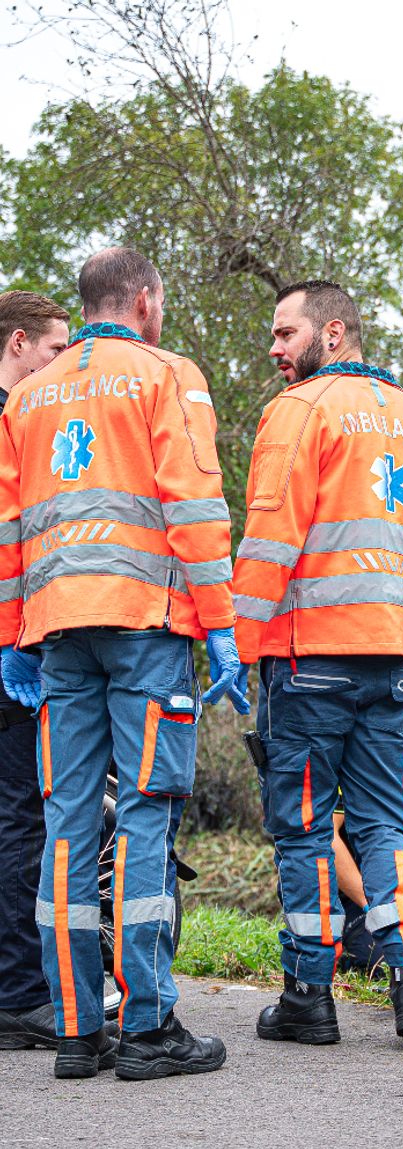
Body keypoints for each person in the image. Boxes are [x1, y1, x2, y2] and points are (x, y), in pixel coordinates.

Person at [0, 247, 247, 1080]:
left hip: (59, 636)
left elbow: (8, 530)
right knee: (146, 810)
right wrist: (222, 627)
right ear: (144, 299)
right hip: (148, 627)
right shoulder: (167, 374)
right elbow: (196, 507)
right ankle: (147, 1026)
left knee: (67, 821)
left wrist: (11, 638)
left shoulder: (29, 392)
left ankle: (76, 1030)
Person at [233, 279, 403, 1045]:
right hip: (393, 661)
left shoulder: (296, 413)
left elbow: (270, 544)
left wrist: (241, 647)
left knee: (307, 832)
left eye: (285, 333)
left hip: (309, 658)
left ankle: (309, 999)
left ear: (333, 333)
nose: (274, 349)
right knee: (384, 825)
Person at [0, 290, 69, 1049]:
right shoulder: (10, 420)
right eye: (55, 350)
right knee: (20, 822)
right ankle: (20, 993)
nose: (65, 365)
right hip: (11, 657)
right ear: (19, 344)